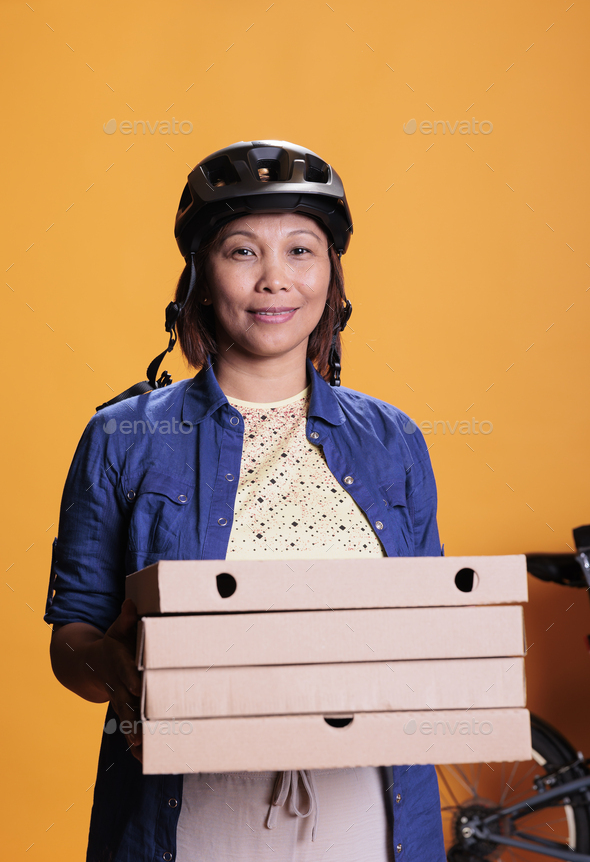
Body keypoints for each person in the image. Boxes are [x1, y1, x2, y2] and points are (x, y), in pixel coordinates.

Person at [44, 140, 446, 862]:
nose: (274, 280)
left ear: (331, 277)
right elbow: (70, 638)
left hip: (366, 816)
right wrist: (118, 666)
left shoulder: (396, 440)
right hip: (189, 817)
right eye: (240, 252)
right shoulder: (122, 436)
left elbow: (429, 628)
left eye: (300, 250)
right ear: (199, 279)